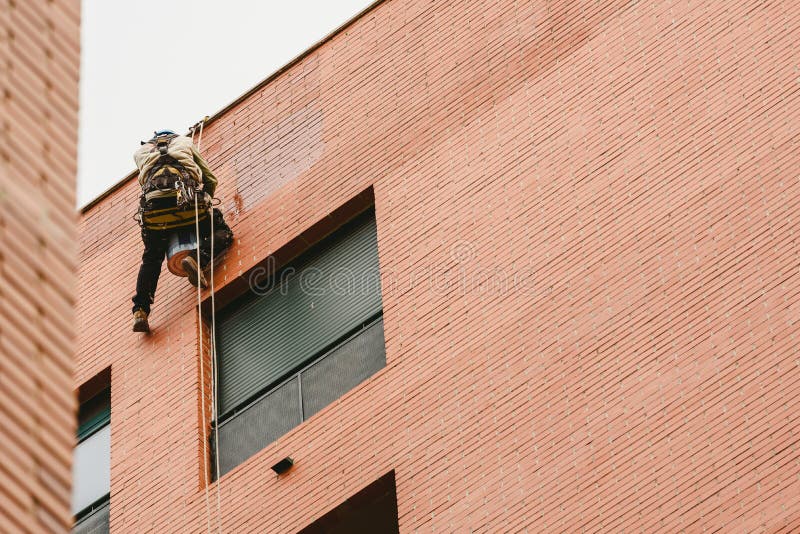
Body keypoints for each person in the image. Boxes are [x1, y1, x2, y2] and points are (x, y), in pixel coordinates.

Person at [131, 130, 234, 333]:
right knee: (223, 232)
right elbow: (211, 179)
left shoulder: (140, 152)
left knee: (151, 259)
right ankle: (197, 258)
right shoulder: (186, 142)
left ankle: (140, 311)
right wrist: (206, 201)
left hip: (156, 215)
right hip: (188, 206)